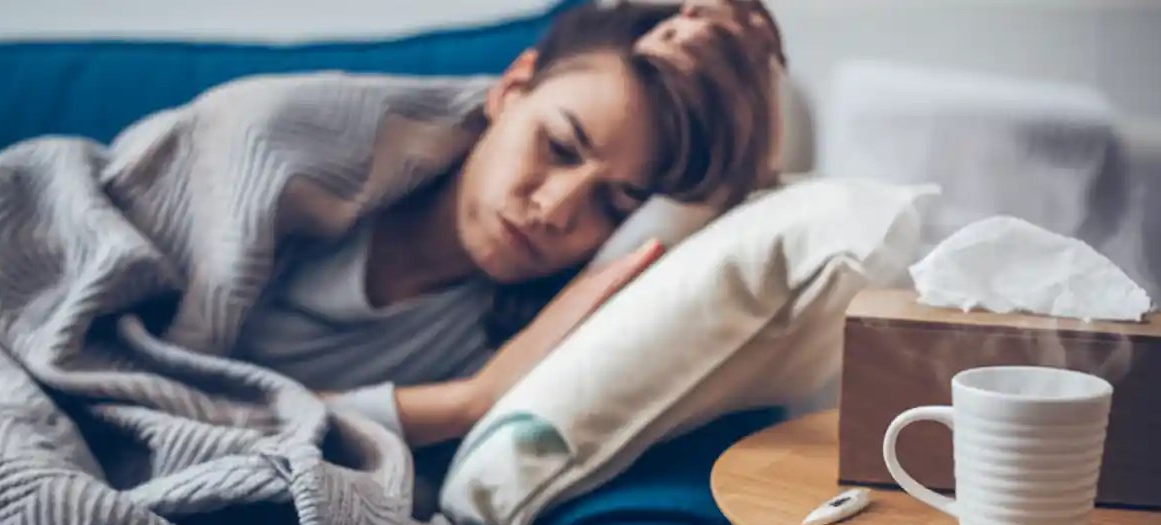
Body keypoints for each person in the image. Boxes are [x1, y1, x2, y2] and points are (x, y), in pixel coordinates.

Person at [235, 0, 787, 448]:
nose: (554, 209)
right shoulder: (277, 151)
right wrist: (464, 403)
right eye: (560, 147)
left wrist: (747, 89)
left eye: (613, 206)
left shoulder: (515, 335)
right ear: (512, 88)